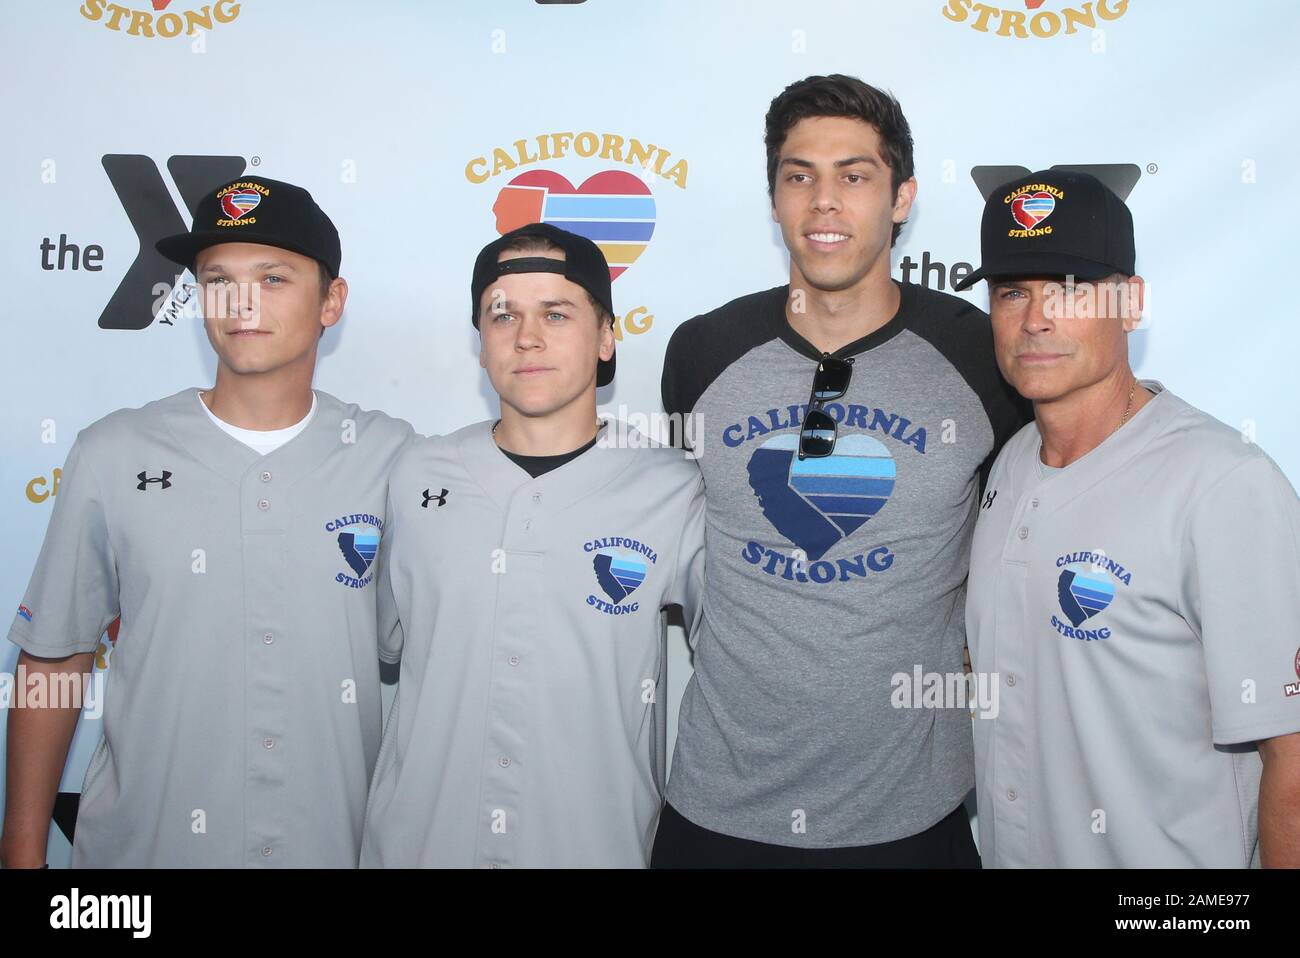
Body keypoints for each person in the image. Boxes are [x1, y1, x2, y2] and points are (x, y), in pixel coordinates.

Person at [652, 74, 1028, 867]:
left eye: (854, 176)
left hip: (912, 817)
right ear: (776, 198)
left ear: (902, 198)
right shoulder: (702, 351)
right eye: (800, 177)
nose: (825, 201)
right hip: (718, 809)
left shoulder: (977, 354)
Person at [1, 176, 415, 867]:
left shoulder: (392, 458)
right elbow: (56, 653)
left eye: (275, 277)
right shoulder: (113, 452)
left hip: (330, 846)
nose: (243, 302)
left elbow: (434, 649)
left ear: (331, 302)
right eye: (218, 280)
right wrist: (21, 854)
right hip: (143, 855)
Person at [956, 168, 1300, 867]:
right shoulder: (1008, 464)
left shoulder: (1224, 483)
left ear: (1131, 302)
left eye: (1071, 289)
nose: (1036, 319)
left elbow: (1291, 760)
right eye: (1012, 292)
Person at [359, 223, 705, 868]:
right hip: (423, 844)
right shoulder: (416, 474)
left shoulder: (670, 487)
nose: (528, 337)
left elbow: (746, 646)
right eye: (502, 315)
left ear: (606, 337)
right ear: (481, 342)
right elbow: (386, 639)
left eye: (556, 312)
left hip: (592, 845)